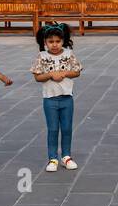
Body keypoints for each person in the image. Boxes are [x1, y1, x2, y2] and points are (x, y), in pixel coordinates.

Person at [31, 21, 83, 172]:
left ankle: (66, 156)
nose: (54, 45)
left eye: (58, 41)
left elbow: (77, 72)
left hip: (67, 98)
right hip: (50, 99)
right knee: (53, 129)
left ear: (63, 41)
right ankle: (52, 158)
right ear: (45, 42)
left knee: (66, 128)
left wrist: (65, 73)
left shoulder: (69, 54)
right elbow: (37, 77)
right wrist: (50, 74)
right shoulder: (41, 56)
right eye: (50, 41)